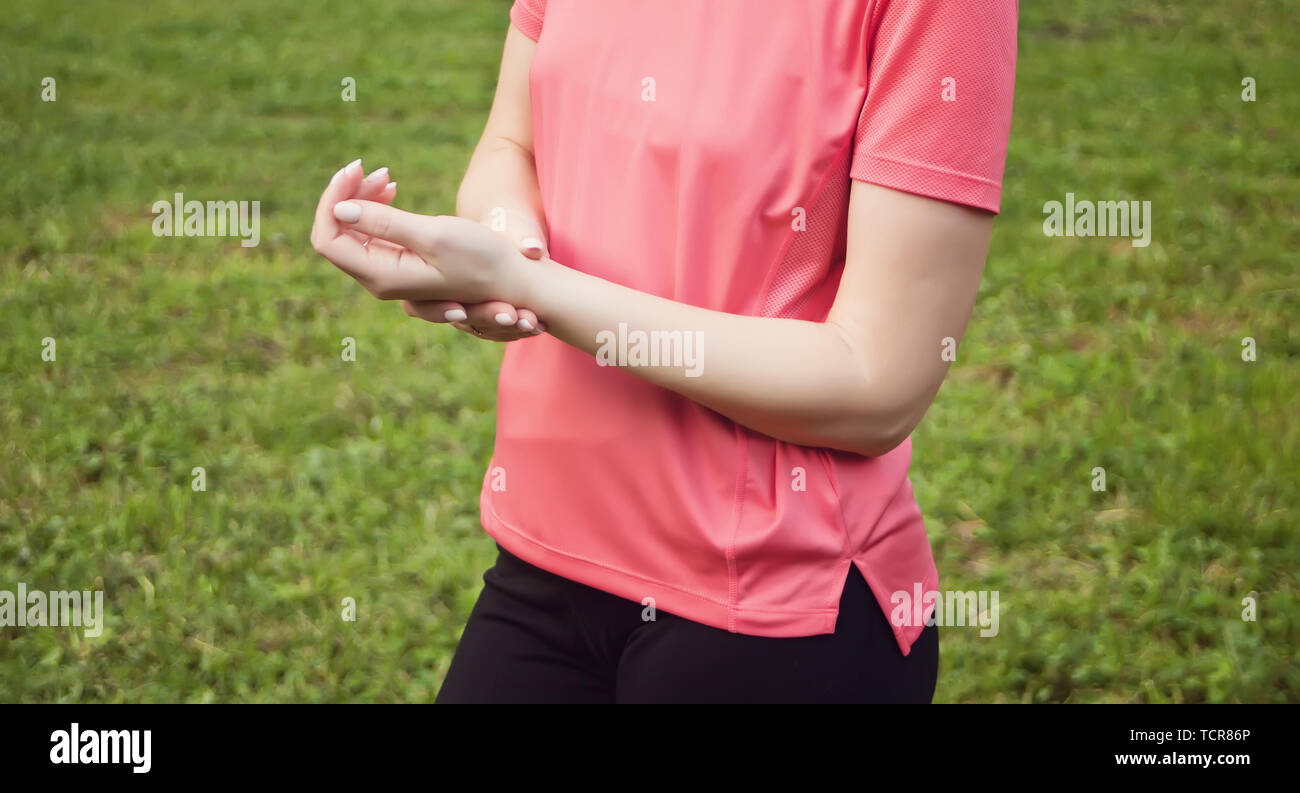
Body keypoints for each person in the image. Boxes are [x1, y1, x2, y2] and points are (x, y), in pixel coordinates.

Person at [310, 0, 1018, 703]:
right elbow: (510, 145)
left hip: (775, 606)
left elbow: (877, 383)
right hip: (548, 554)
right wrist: (510, 256)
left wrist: (531, 285)